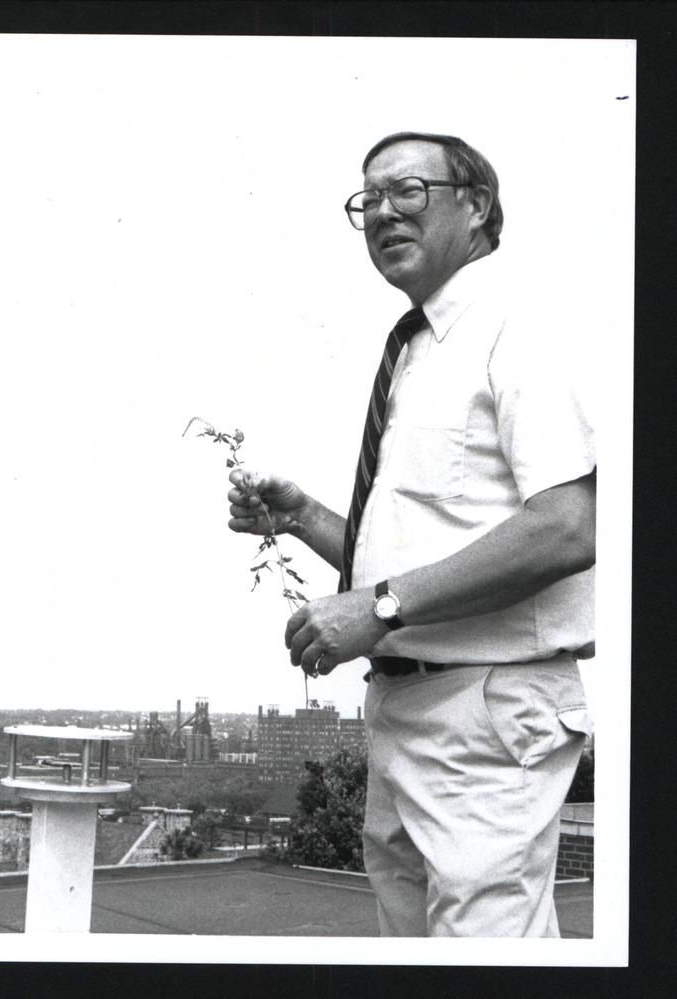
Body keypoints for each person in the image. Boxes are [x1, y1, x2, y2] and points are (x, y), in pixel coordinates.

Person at [227, 132, 595, 937]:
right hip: (406, 715)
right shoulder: (420, 347)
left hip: (484, 712)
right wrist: (302, 519)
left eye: (408, 190)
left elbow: (568, 528)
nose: (382, 212)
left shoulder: (516, 325)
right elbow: (432, 543)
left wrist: (381, 610)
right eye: (368, 200)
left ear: (477, 206)